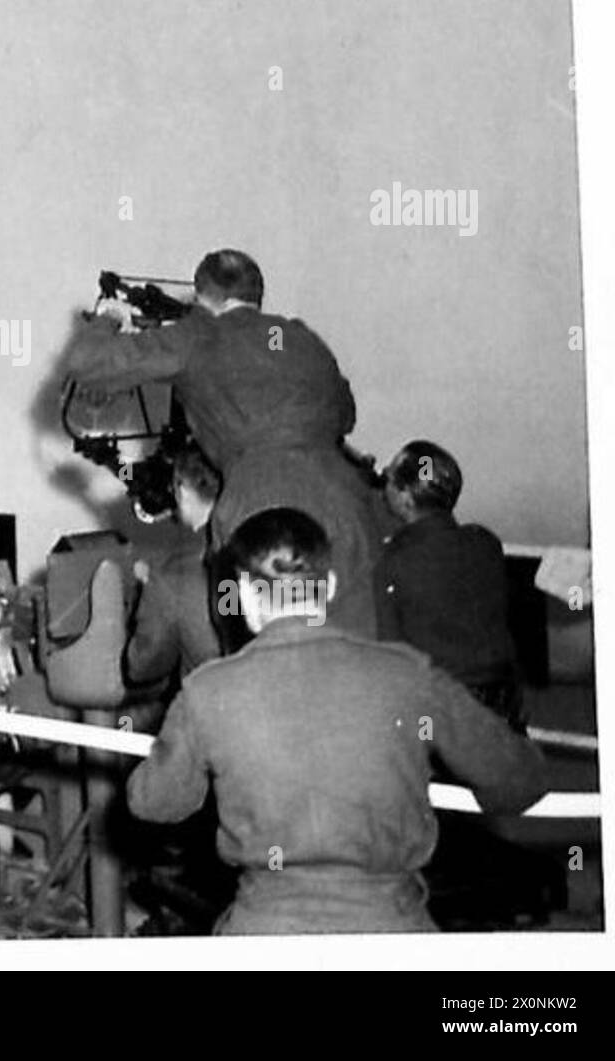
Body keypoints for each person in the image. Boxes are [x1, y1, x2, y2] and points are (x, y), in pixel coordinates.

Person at [127, 508, 548, 934]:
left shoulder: (207, 691)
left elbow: (156, 803)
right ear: (327, 587)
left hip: (266, 926)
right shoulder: (408, 674)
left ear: (244, 593)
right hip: (392, 928)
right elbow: (520, 783)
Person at [63, 249, 385, 637]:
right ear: (258, 295)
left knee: (250, 638)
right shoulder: (294, 336)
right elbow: (346, 413)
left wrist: (108, 319)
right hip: (347, 500)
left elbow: (87, 363)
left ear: (201, 299)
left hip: (261, 502)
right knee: (356, 640)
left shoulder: (199, 335)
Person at [376, 440, 524, 728]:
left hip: (441, 710)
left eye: (389, 480)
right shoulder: (485, 542)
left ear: (405, 497)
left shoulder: (394, 562)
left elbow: (390, 651)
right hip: (503, 702)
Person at [125, 445, 224, 690]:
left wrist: (148, 599)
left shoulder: (171, 577)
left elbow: (142, 667)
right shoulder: (271, 544)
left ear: (181, 490)